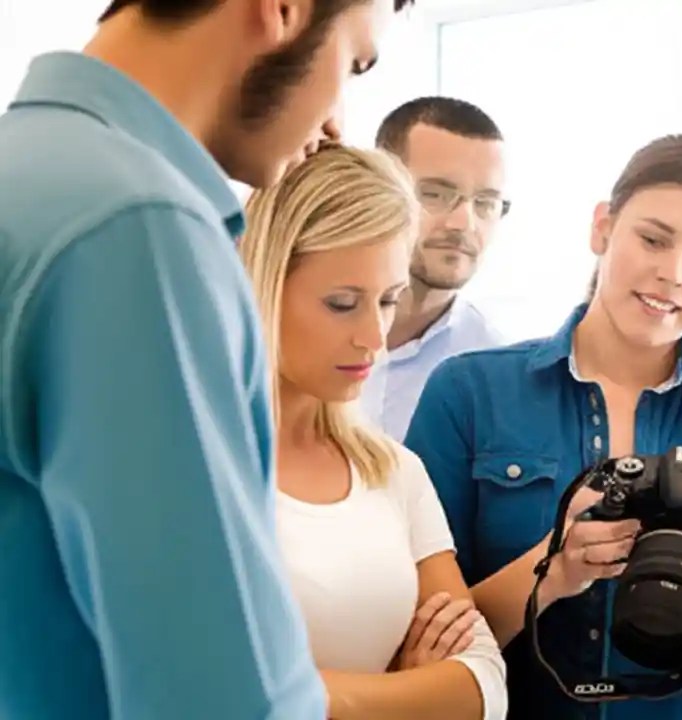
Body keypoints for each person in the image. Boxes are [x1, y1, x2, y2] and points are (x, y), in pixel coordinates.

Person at [0, 1, 413, 718]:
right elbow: (223, 695)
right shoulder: (138, 227)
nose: (338, 121)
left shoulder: (29, 174)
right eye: (352, 63)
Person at [404, 134, 682, 720]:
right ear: (603, 228)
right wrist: (552, 572)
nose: (672, 273)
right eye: (653, 239)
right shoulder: (469, 394)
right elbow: (415, 635)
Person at [239, 142, 507, 720]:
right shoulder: (194, 465)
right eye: (342, 303)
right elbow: (206, 690)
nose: (375, 338)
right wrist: (409, 690)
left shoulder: (392, 469)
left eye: (387, 301)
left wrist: (310, 694)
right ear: (264, 283)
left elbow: (486, 683)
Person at [361, 96, 509, 440]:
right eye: (436, 194)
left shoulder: (493, 373)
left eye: (486, 203)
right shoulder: (281, 322)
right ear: (377, 186)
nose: (463, 223)